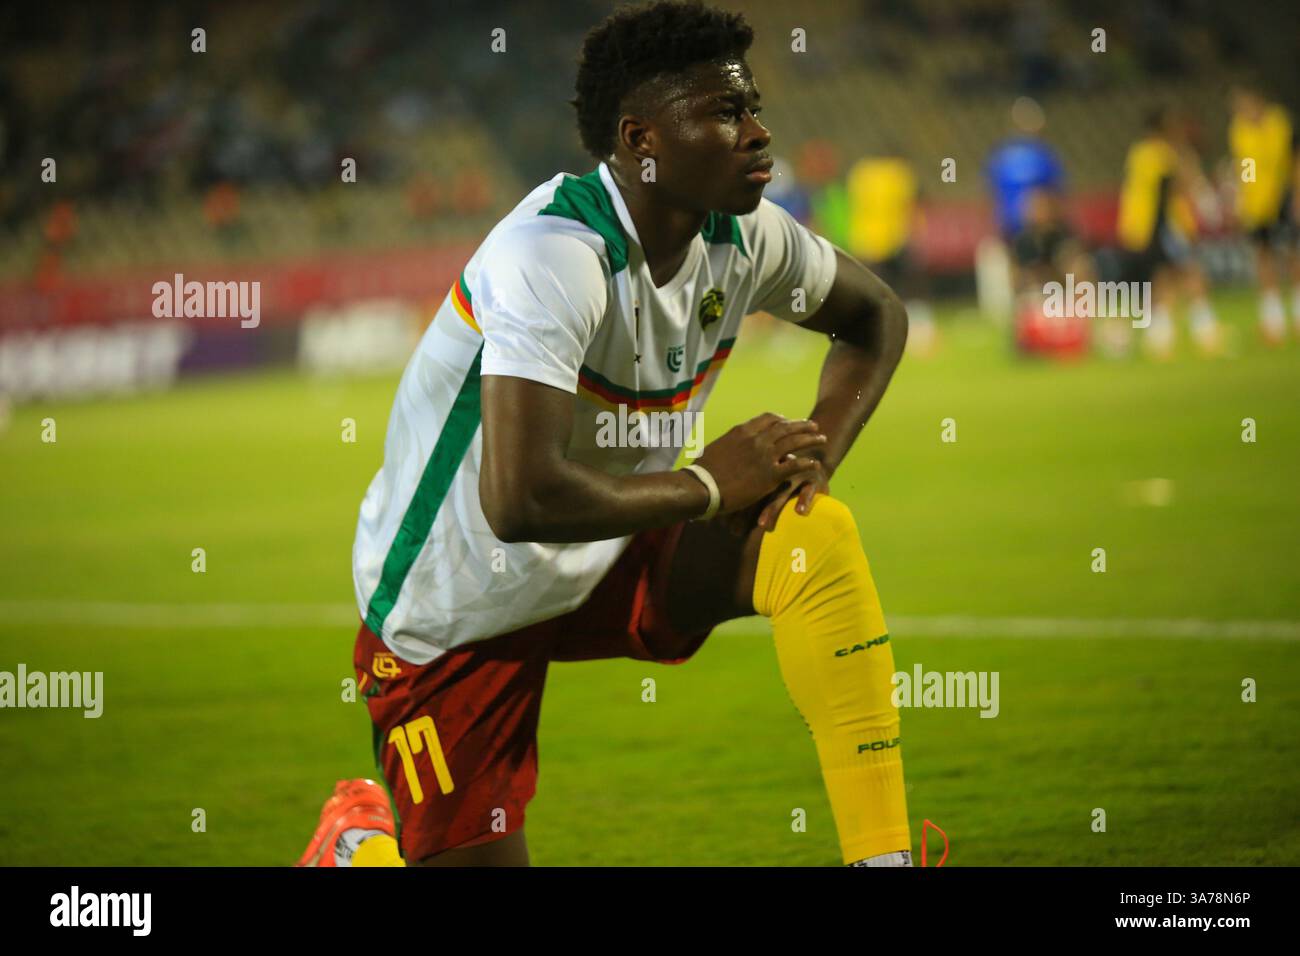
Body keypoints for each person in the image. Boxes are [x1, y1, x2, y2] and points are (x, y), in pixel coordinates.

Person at [297, 0, 911, 868]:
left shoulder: (745, 237)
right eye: (726, 113)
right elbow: (517, 499)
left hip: (611, 542)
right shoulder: (550, 256)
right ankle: (358, 847)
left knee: (813, 537)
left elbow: (874, 317)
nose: (759, 134)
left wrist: (813, 458)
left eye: (754, 107)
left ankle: (883, 860)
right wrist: (709, 485)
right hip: (457, 604)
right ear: (641, 139)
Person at [1116, 106, 1222, 358]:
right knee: (1190, 274)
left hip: (1141, 227)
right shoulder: (1160, 154)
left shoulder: (1139, 153)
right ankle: (1205, 330)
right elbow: (1181, 185)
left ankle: (1160, 337)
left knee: (1162, 278)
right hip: (1162, 226)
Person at [1228, 81, 1300, 344]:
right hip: (1257, 205)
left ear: (1258, 102)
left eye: (1243, 104)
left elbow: (1295, 160)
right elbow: (1245, 166)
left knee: (1293, 254)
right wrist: (1244, 199)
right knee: (1264, 256)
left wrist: (1297, 195)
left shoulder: (1280, 123)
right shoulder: (1239, 130)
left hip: (1282, 197)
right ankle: (1273, 319)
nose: (1240, 110)